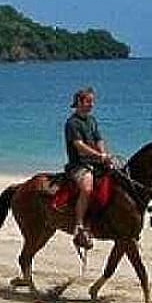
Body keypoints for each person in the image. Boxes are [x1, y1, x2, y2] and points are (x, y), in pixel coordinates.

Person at [64, 87, 113, 250]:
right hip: (79, 165)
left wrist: (104, 154)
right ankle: (79, 225)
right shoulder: (72, 123)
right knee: (87, 188)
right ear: (79, 102)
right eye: (88, 101)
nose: (92, 104)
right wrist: (99, 156)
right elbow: (79, 146)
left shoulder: (92, 120)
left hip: (96, 162)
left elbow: (99, 139)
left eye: (92, 101)